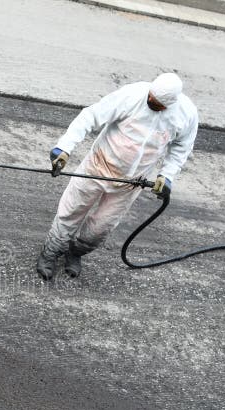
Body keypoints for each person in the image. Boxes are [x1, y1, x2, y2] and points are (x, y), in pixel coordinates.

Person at [36, 72, 198, 280]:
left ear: (168, 105)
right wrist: (64, 148)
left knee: (100, 228)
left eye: (156, 103)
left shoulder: (186, 114)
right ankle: (50, 253)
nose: (150, 101)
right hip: (97, 167)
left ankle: (75, 253)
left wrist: (166, 176)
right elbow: (91, 116)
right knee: (71, 213)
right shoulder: (131, 95)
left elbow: (182, 148)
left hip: (130, 183)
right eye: (150, 96)